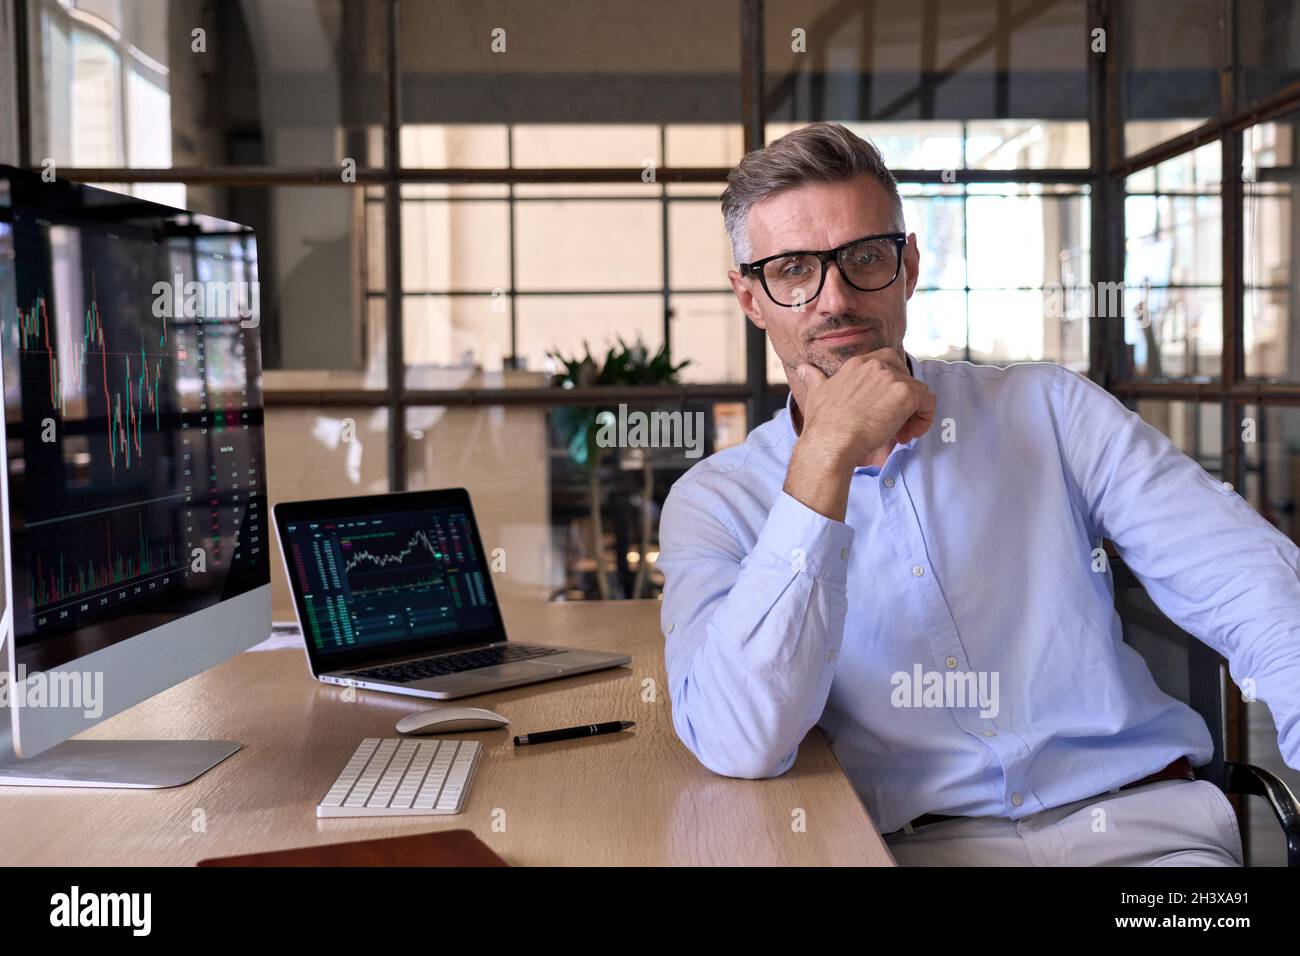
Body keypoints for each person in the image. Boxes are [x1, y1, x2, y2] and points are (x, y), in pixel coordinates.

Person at [656, 121, 1300, 865]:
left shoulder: (1050, 410)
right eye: (794, 269)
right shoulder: (716, 502)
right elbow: (741, 741)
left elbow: (1254, 584)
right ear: (750, 296)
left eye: (865, 257)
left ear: (908, 266)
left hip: (1143, 839)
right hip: (917, 852)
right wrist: (823, 460)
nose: (834, 299)